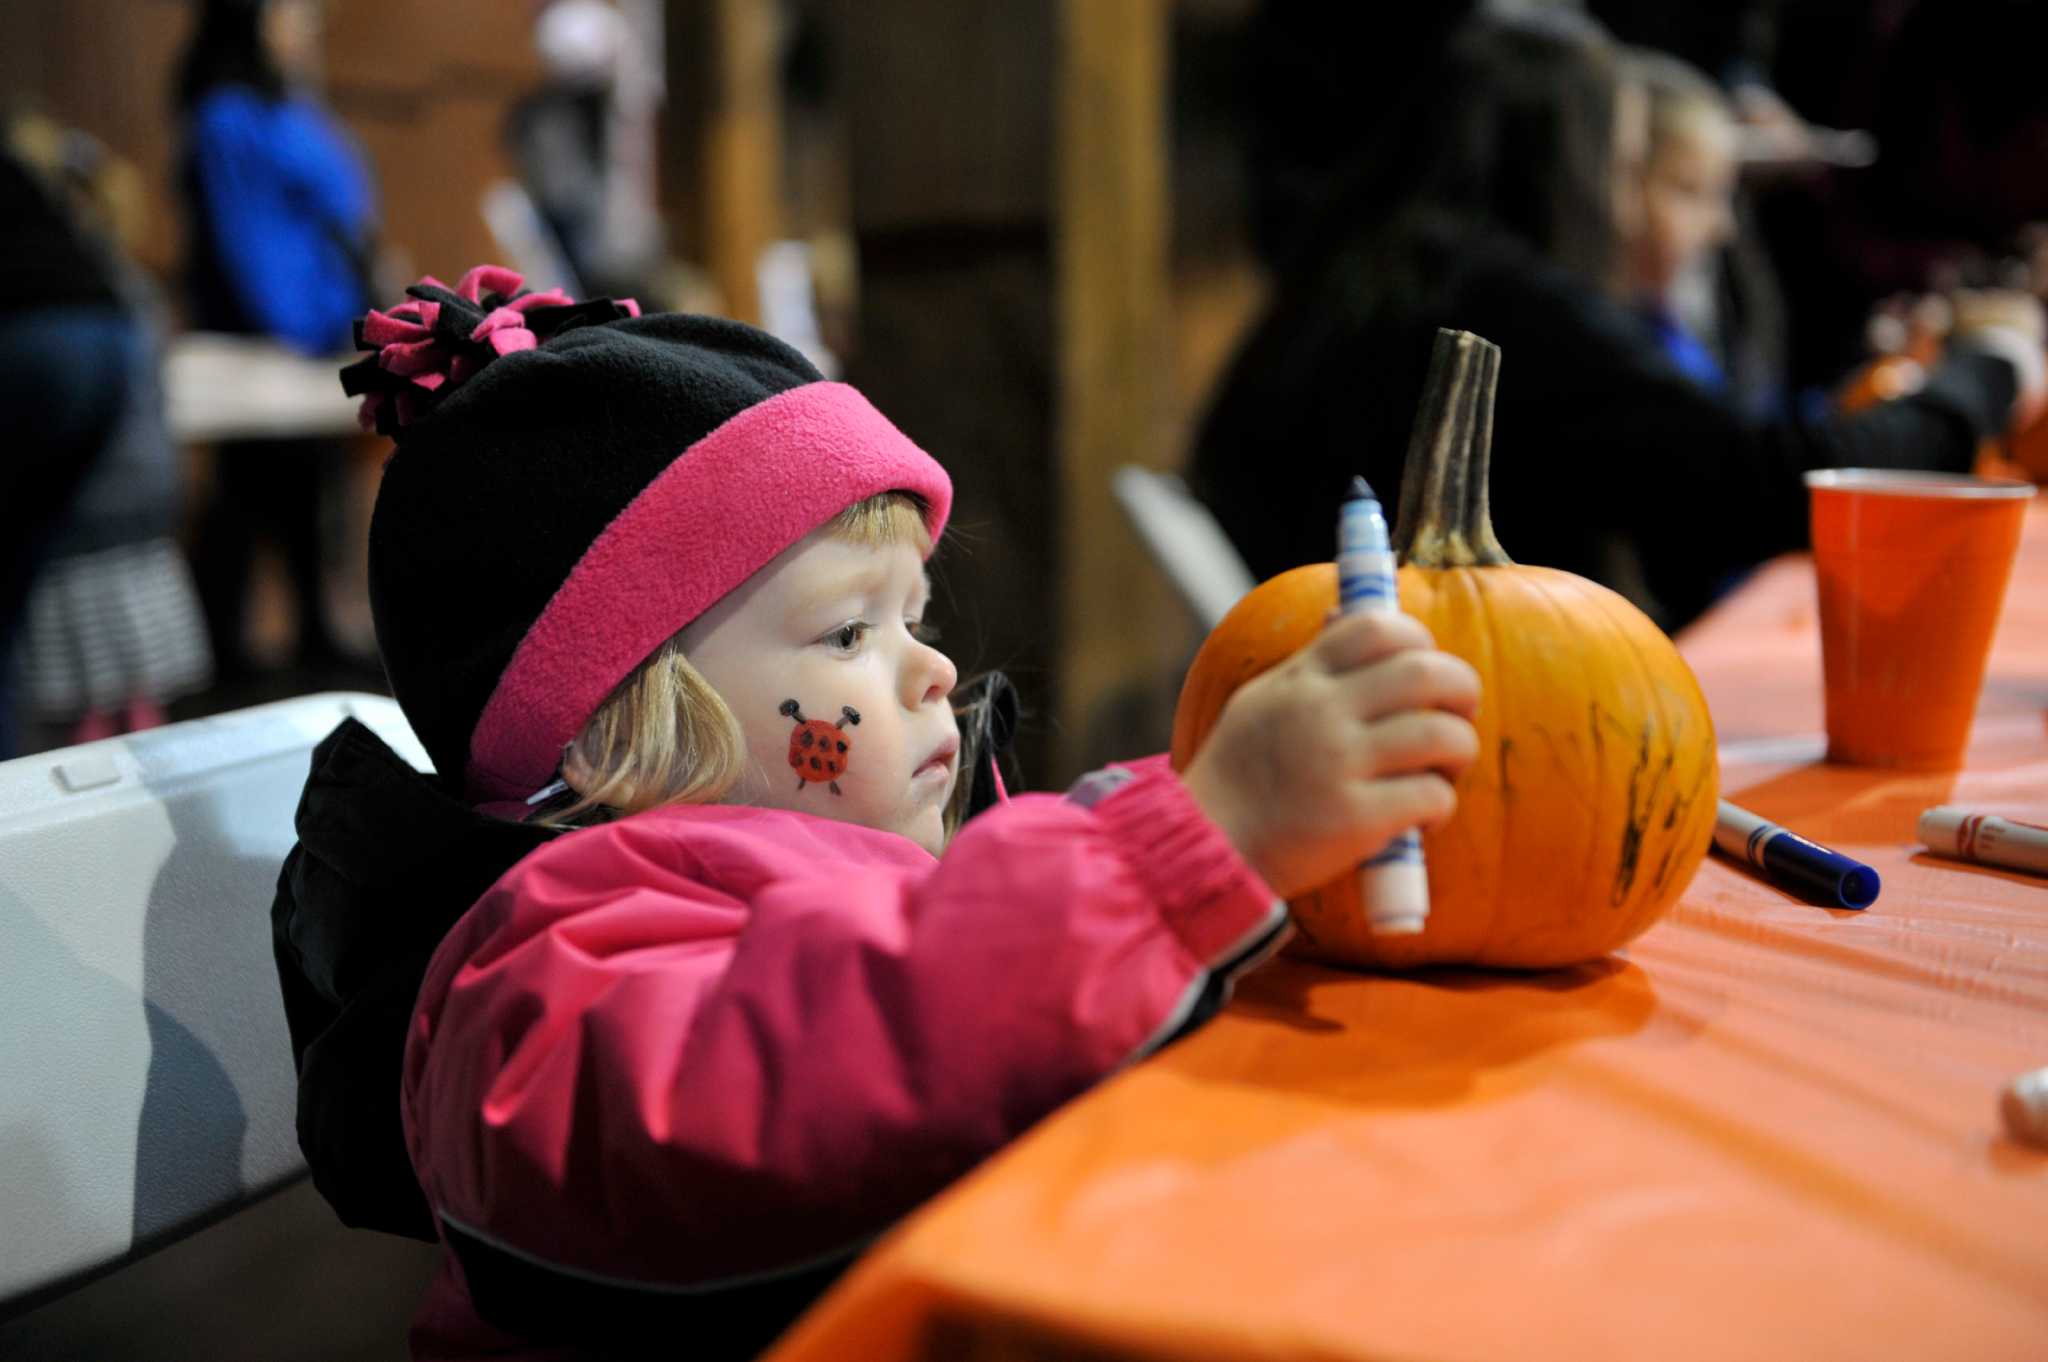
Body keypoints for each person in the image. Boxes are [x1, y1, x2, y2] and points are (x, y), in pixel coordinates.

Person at [269, 264, 1482, 1358]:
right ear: (615, 723)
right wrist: (1188, 850)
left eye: (917, 619)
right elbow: (809, 1064)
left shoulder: (854, 871)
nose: (934, 670)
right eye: (849, 633)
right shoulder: (543, 974)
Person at [1187, 13, 2044, 633]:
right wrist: (1991, 365)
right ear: (1566, 159)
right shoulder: (1501, 305)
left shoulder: (1373, 266)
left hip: (1336, 649)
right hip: (1434, 687)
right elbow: (1774, 486)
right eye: (1625, 163)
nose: (1629, 205)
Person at [174, 0, 379, 680]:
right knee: (250, 493)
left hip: (319, 332)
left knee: (305, 491)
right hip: (277, 341)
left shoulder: (289, 108)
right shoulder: (227, 116)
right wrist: (307, 323)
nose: (306, 26)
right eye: (292, 11)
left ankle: (311, 633)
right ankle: (222, 657)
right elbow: (251, 243)